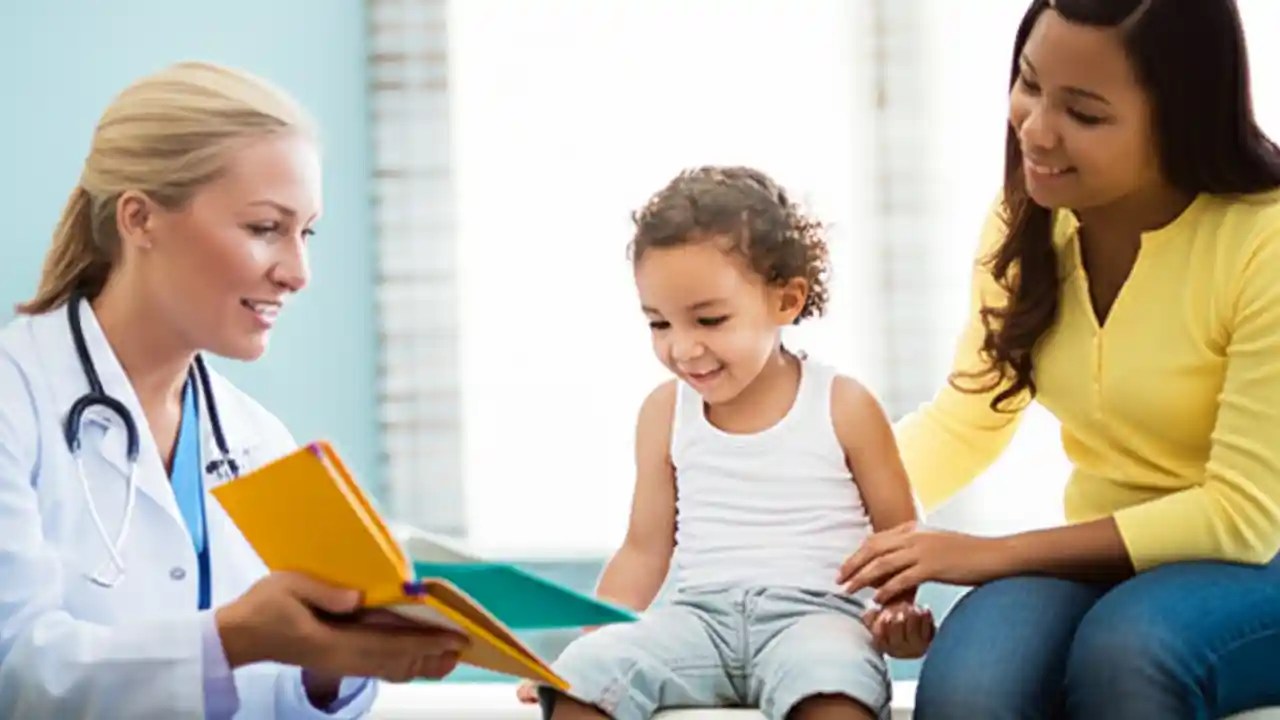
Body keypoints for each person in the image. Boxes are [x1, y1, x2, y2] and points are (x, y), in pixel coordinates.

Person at [837, 0, 1280, 717]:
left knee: (1128, 652)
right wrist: (818, 510)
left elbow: (1240, 517)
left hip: (1258, 558)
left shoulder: (1265, 242)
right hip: (1101, 558)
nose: (1036, 129)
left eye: (1084, 113)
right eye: (1029, 84)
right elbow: (967, 419)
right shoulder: (1026, 221)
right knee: (975, 679)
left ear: (1183, 115)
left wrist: (985, 553)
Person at [0, 61, 469, 719]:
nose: (298, 273)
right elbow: (17, 674)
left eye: (306, 232)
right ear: (140, 219)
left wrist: (327, 665)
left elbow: (267, 694)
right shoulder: (15, 400)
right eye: (264, 228)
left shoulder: (254, 438)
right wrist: (236, 636)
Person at [519, 166, 933, 720]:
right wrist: (587, 651)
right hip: (696, 622)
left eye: (709, 320)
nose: (683, 349)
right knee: (582, 677)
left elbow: (899, 537)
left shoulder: (844, 405)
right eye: (659, 324)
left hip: (817, 620)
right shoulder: (665, 413)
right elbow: (643, 551)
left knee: (833, 681)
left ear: (786, 301)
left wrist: (898, 611)